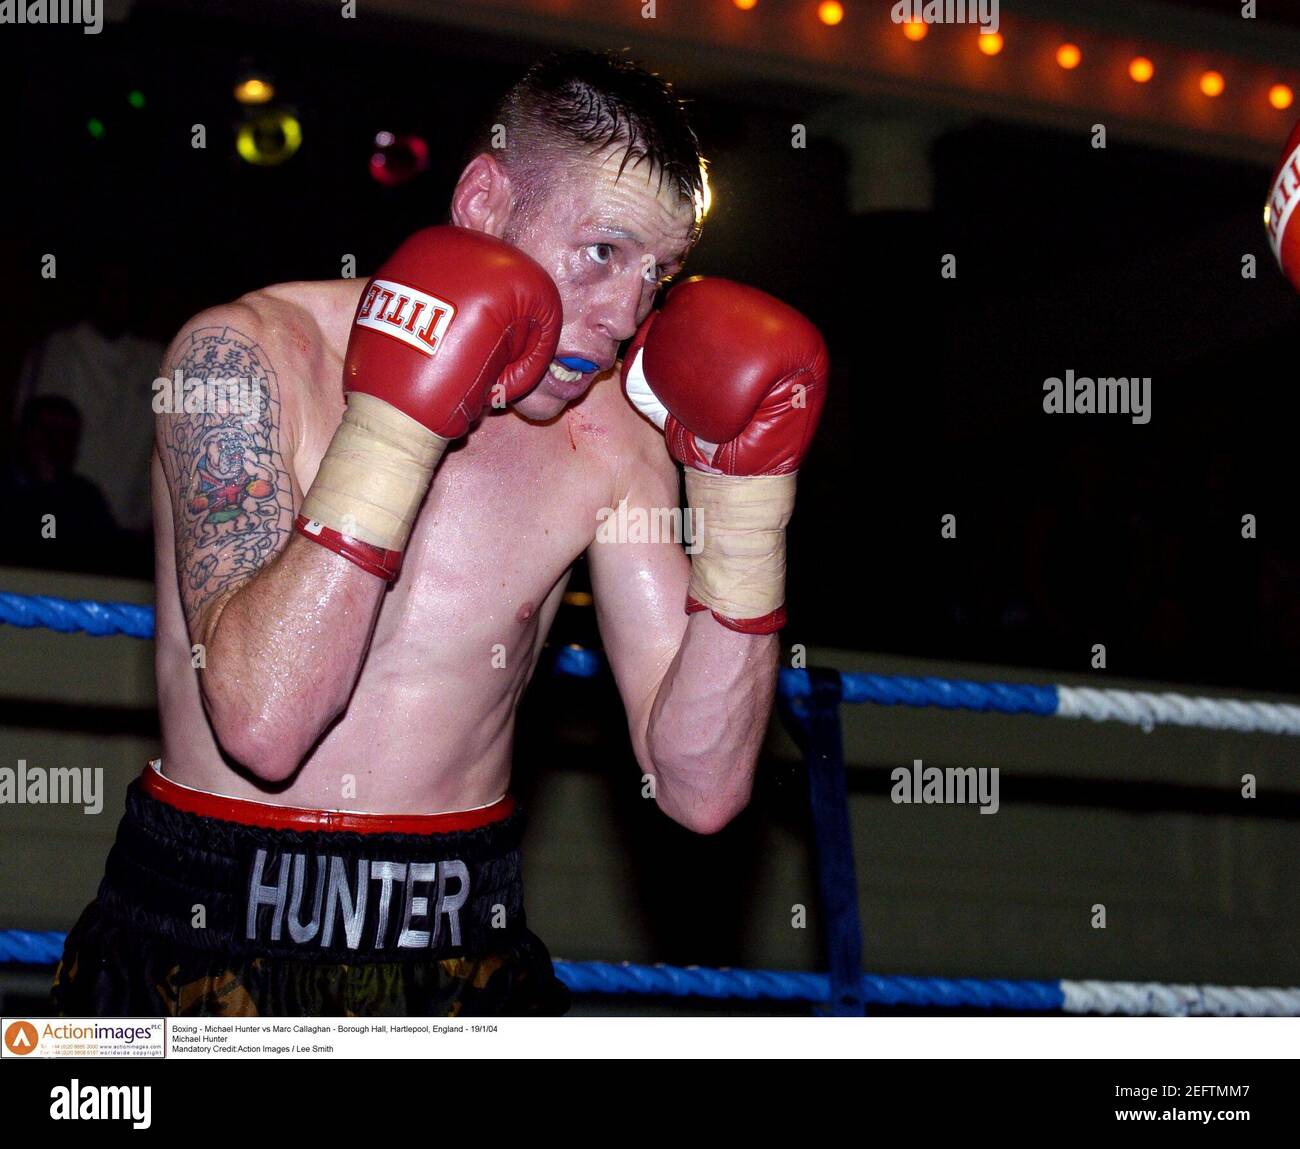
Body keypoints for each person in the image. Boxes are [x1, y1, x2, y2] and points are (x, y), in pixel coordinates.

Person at [53, 48, 827, 1017]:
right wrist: (397, 427)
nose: (626, 315)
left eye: (659, 273)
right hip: (207, 932)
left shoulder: (613, 440)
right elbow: (264, 725)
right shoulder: (244, 356)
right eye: (604, 253)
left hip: (459, 946)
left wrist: (744, 512)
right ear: (483, 202)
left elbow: (700, 788)